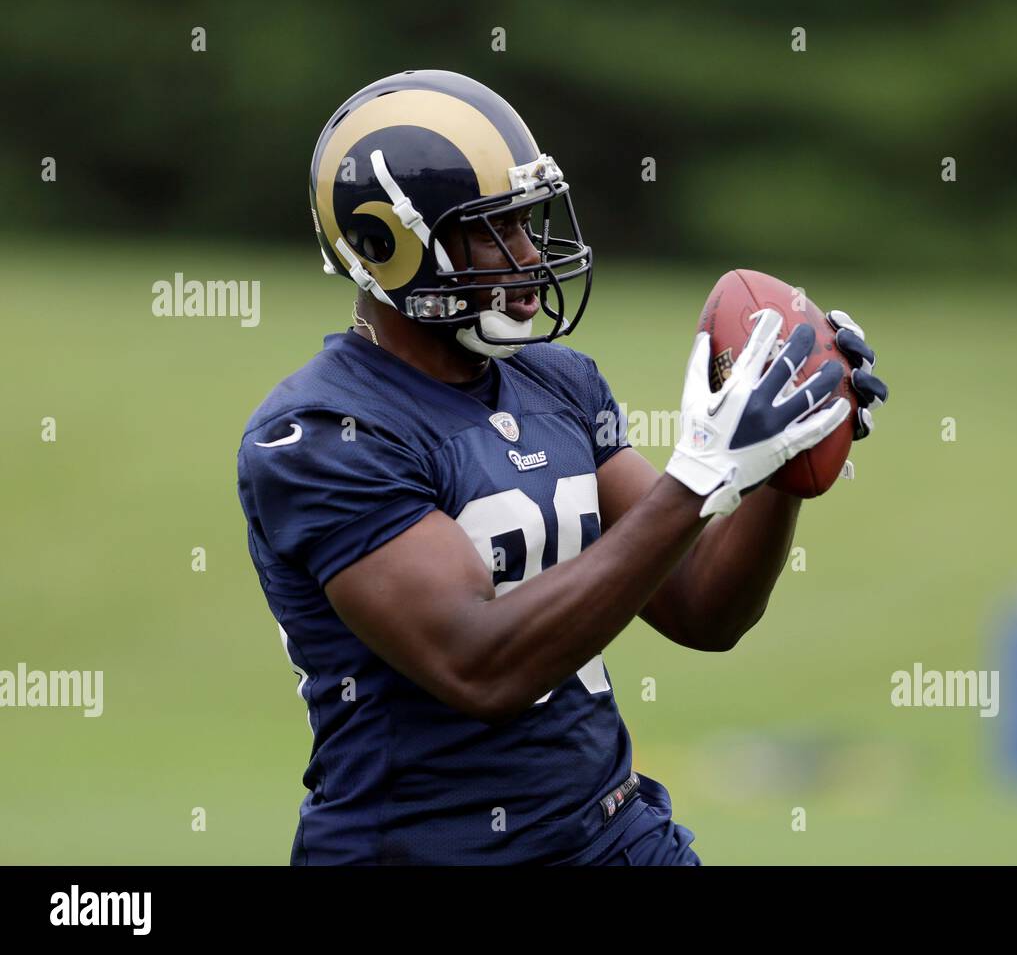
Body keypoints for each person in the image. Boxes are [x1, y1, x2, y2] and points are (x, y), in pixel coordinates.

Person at [236, 69, 889, 865]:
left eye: (527, 222)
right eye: (493, 230)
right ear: (388, 244)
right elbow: (479, 664)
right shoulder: (322, 435)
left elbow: (702, 609)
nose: (525, 256)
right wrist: (700, 474)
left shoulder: (556, 380)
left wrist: (782, 456)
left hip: (610, 834)